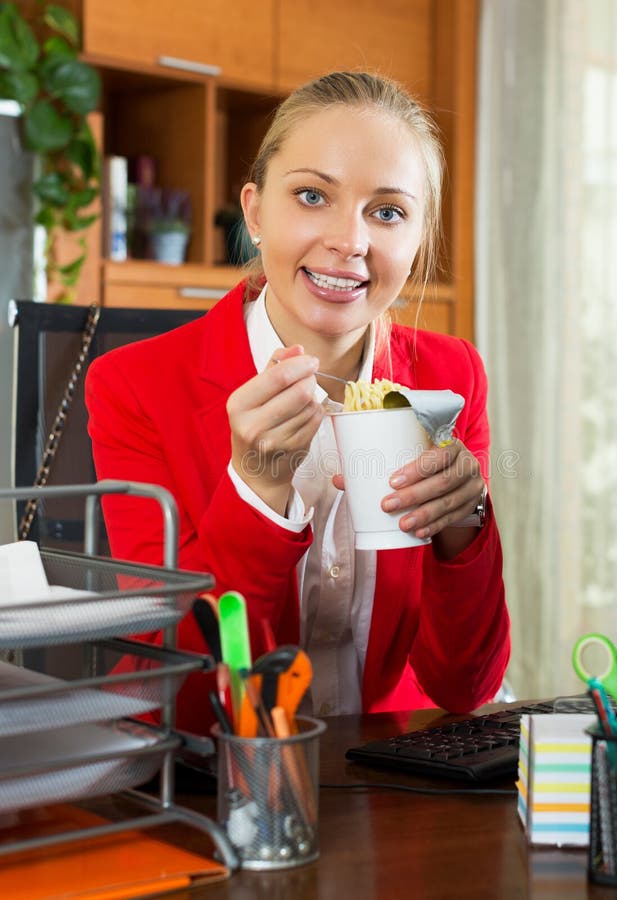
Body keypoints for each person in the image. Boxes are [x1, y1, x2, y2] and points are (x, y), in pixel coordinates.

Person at [85, 71, 510, 735]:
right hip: (211, 786)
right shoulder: (132, 387)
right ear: (255, 212)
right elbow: (187, 704)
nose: (350, 241)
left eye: (388, 212)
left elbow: (464, 686)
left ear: (419, 236)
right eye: (313, 195)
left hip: (387, 784)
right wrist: (255, 495)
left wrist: (464, 528)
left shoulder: (450, 378)